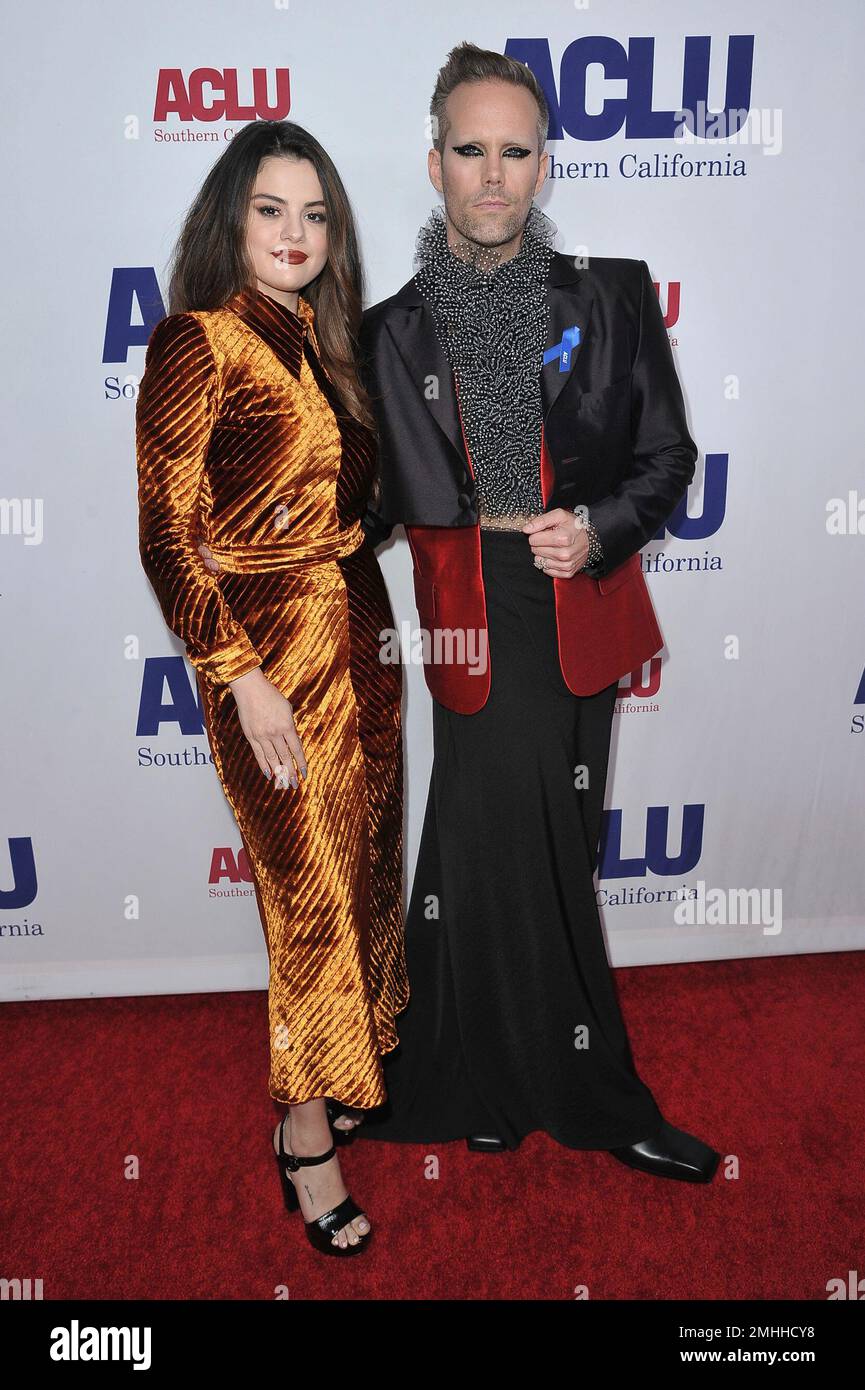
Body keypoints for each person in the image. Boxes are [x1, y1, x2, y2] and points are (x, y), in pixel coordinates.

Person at [350, 43, 720, 1182]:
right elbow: (361, 507)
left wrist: (598, 525)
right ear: (434, 162)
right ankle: (598, 1096)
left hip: (583, 602)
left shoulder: (609, 295)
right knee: (529, 846)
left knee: (498, 844)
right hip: (469, 608)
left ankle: (477, 1082)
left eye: (515, 150)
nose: (493, 174)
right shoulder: (386, 330)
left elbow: (668, 459)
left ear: (545, 164)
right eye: (471, 150)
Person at [136, 119, 408, 1255]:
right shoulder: (199, 342)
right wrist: (235, 673)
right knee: (305, 900)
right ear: (230, 219)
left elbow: (363, 510)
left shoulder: (328, 344)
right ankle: (305, 1137)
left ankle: (348, 1068)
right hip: (269, 663)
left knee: (362, 873)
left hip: (362, 637)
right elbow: (165, 539)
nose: (295, 233)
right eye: (270, 209)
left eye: (315, 214)